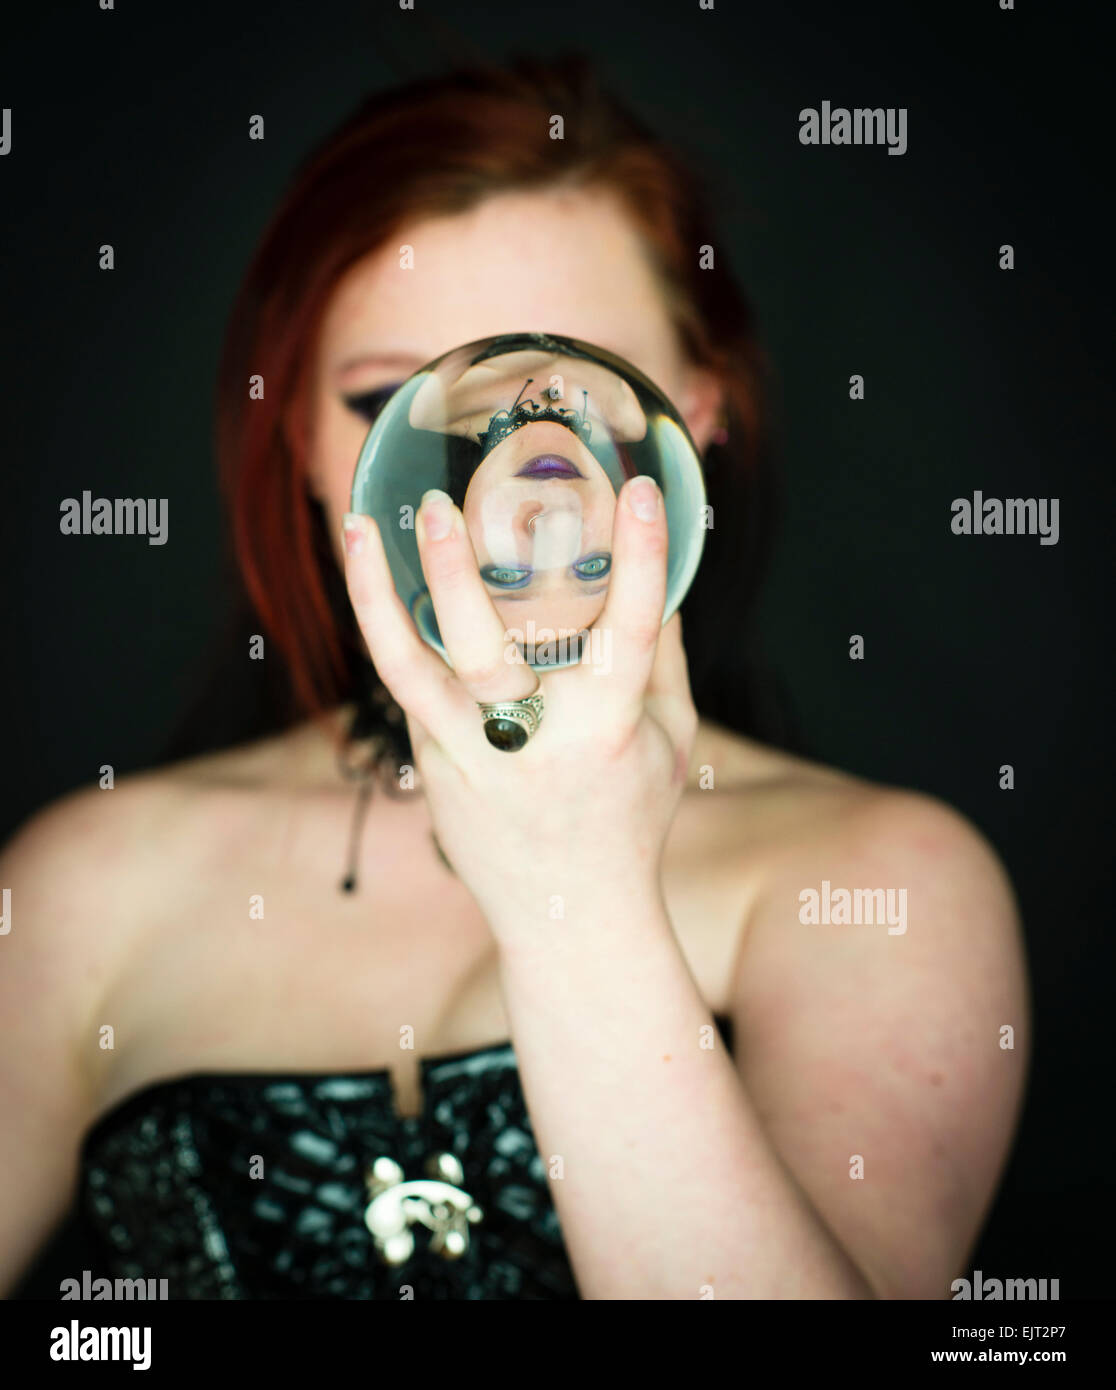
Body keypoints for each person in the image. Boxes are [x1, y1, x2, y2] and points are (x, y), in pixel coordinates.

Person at [0, 54, 1028, 1300]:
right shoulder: (79, 890)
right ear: (314, 453)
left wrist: (575, 891)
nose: (501, 496)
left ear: (695, 428)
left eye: (566, 402)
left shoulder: (882, 883)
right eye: (392, 401)